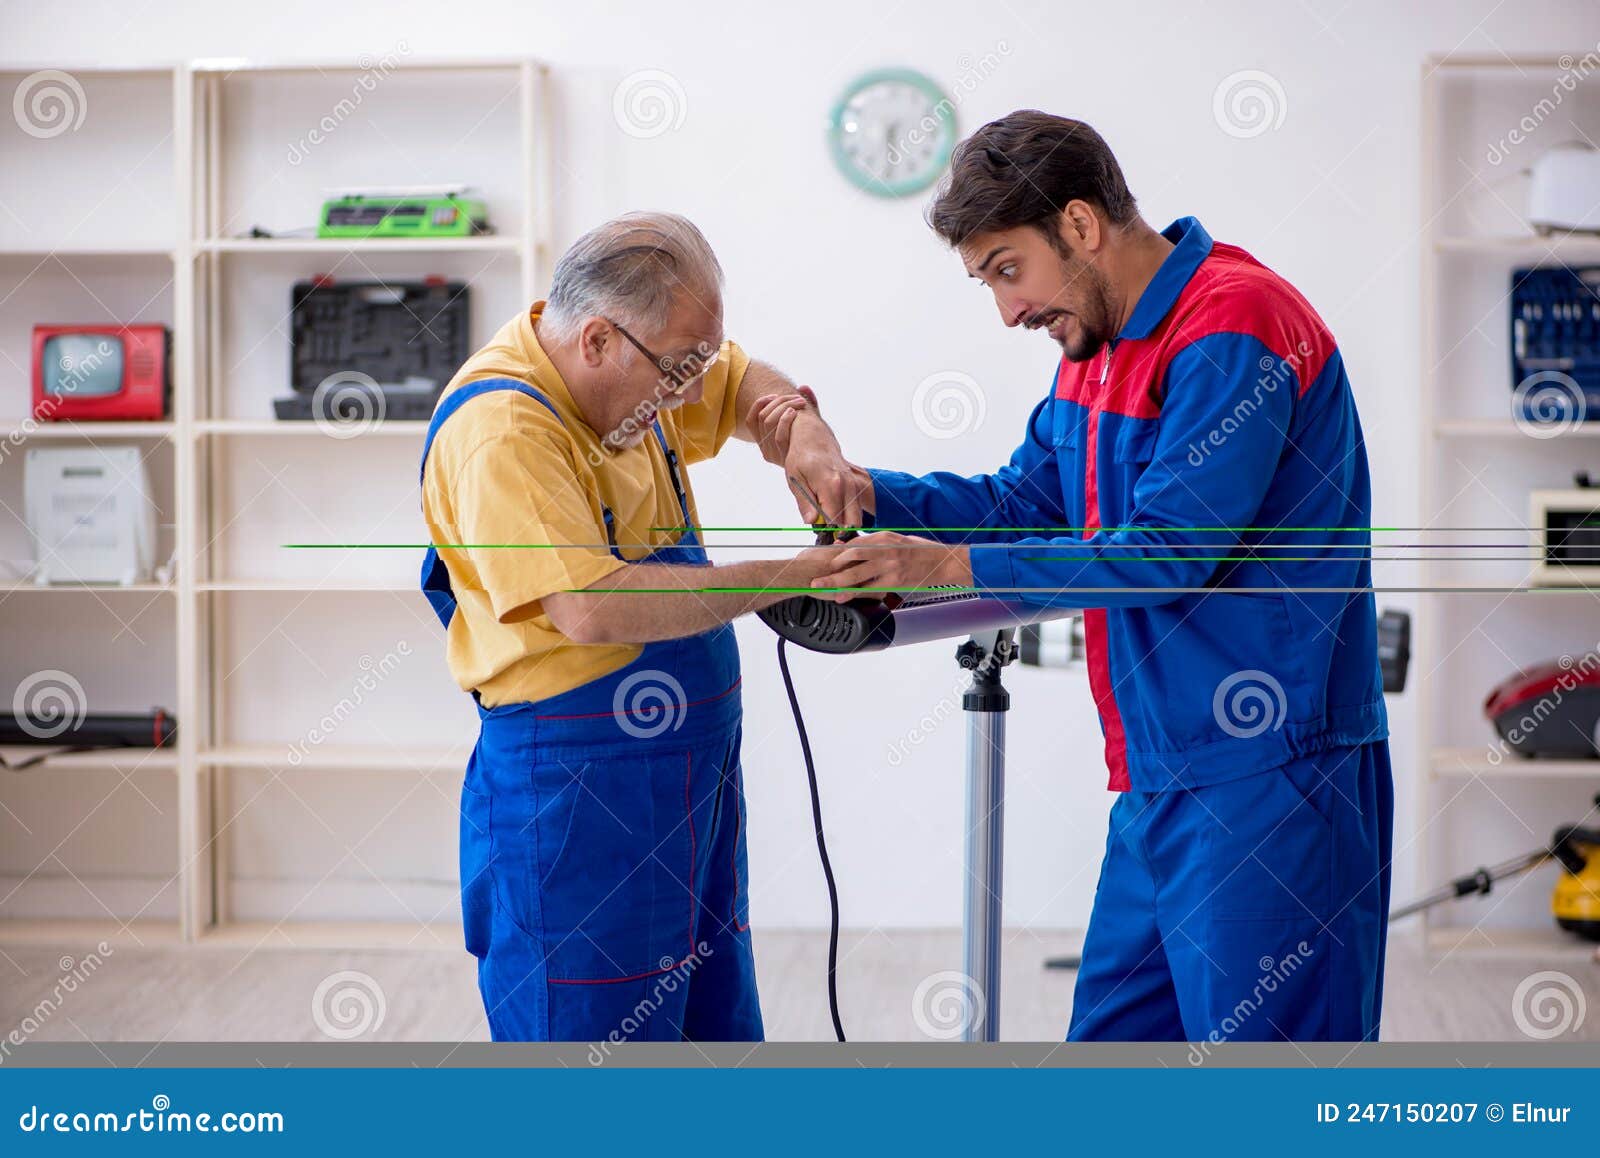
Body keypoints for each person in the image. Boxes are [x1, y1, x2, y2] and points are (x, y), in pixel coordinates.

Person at [755, 111, 1394, 1042]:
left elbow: (1169, 547)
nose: (1008, 311)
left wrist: (946, 567)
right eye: (988, 283)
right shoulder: (1096, 353)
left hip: (1272, 772)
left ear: (1082, 226)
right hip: (1158, 774)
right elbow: (1025, 502)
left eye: (1008, 270)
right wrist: (868, 493)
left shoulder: (1234, 323)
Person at [418, 211, 853, 1041]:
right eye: (679, 369)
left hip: (691, 773)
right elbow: (590, 605)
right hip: (581, 795)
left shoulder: (632, 369)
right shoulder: (503, 432)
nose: (693, 394)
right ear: (596, 341)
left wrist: (798, 427)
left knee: (710, 1034)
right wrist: (787, 577)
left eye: (699, 359)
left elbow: (739, 380)